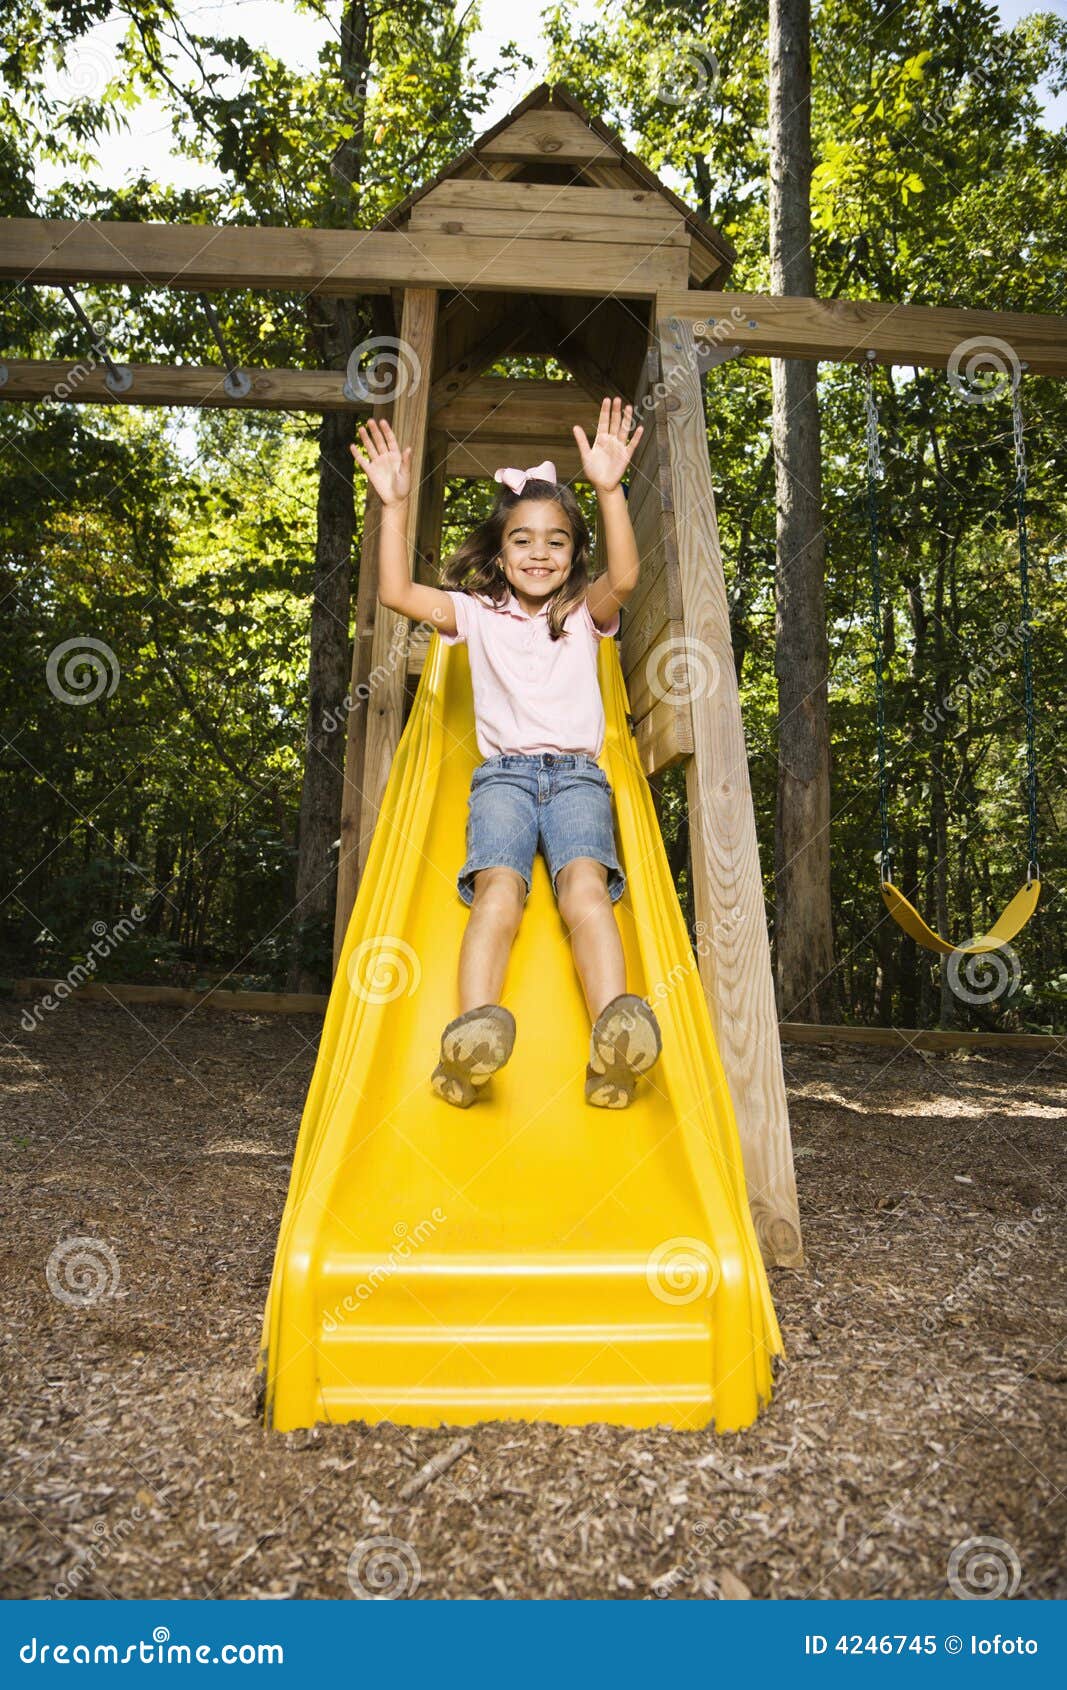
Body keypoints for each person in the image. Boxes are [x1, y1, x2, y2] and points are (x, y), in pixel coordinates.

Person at [349, 398, 662, 1111]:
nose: (540, 553)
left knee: (585, 890)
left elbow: (626, 577)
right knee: (498, 892)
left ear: (573, 555)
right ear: (498, 552)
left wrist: (610, 490)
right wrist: (393, 506)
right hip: (502, 781)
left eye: (557, 541)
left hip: (579, 779)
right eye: (522, 540)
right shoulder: (475, 613)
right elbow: (395, 591)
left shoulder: (584, 614)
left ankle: (613, 1038)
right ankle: (472, 1035)